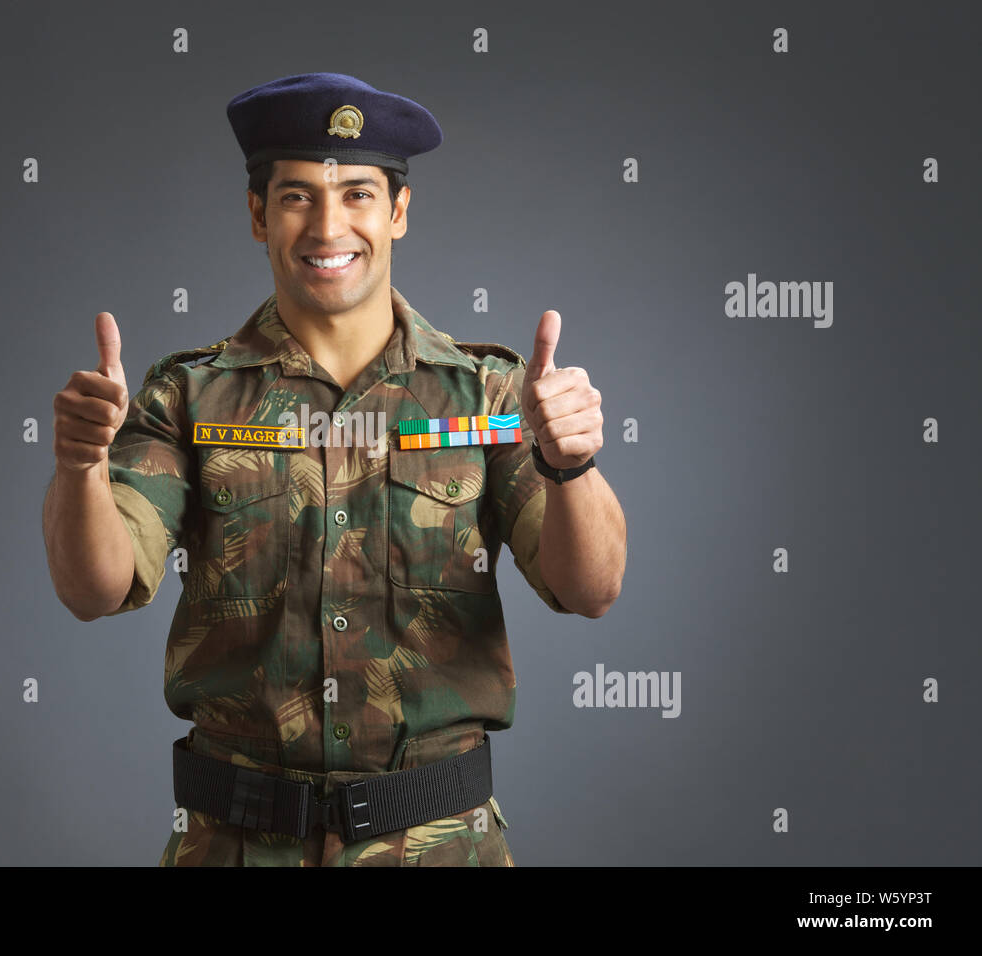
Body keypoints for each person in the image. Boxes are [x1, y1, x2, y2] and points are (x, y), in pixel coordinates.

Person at [42, 72, 627, 866]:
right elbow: (95, 589)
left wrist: (573, 465)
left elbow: (590, 590)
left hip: (441, 848)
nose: (328, 226)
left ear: (397, 212)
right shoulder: (186, 395)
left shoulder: (491, 394)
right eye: (296, 197)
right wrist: (80, 467)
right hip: (237, 845)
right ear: (258, 215)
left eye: (356, 194)